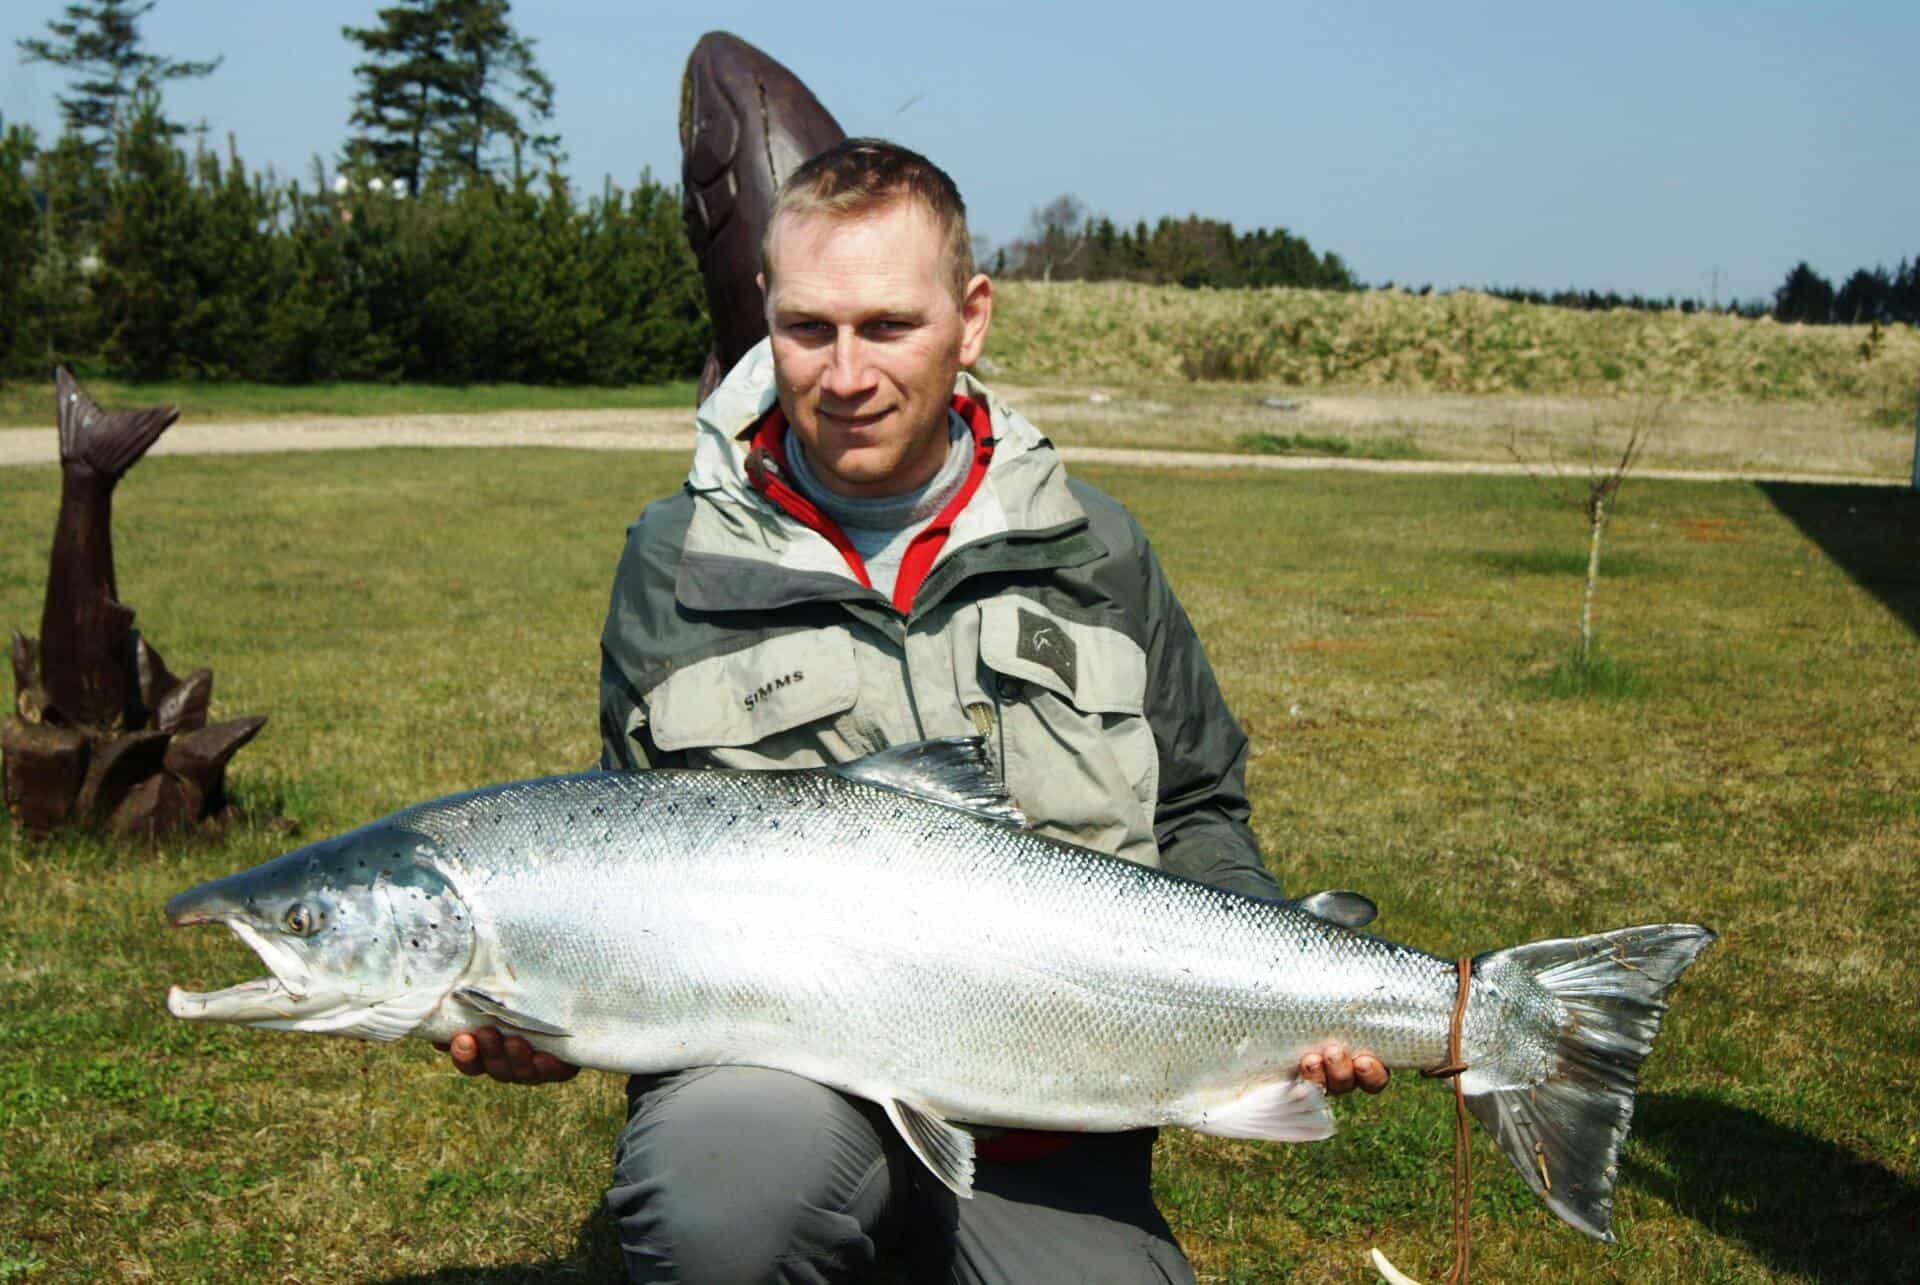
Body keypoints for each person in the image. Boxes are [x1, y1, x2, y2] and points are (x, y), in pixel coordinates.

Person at [445, 138, 1387, 1284]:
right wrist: (542, 1005)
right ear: (764, 315)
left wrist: (1287, 990)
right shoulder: (671, 559)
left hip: (1051, 1125)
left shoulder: (1098, 549)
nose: (845, 373)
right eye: (808, 328)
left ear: (971, 318)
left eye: (888, 325)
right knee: (720, 1213)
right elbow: (635, 843)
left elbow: (1196, 804)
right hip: (770, 1100)